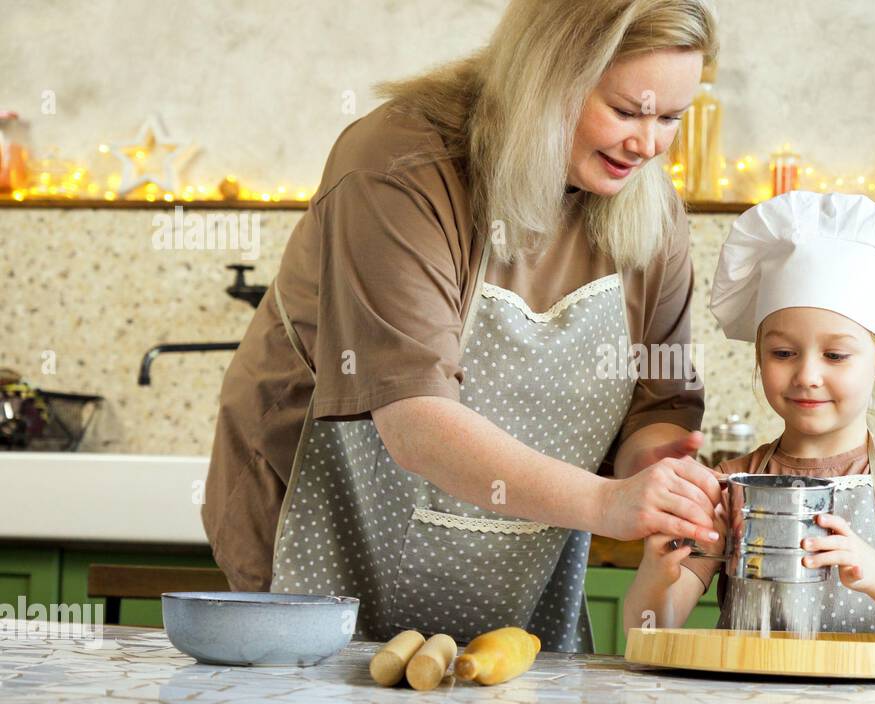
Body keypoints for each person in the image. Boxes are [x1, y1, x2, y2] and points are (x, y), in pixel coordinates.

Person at [201, 0, 724, 649]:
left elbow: (658, 403)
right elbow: (415, 420)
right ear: (546, 75)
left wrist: (661, 482)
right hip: (316, 554)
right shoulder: (399, 165)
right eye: (625, 110)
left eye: (670, 117)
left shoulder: (649, 209)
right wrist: (606, 503)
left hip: (513, 580)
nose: (647, 143)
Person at [624, 191, 875, 659]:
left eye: (835, 355)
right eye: (783, 353)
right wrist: (656, 568)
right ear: (758, 357)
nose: (807, 375)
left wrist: (873, 570)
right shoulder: (731, 484)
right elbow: (648, 629)